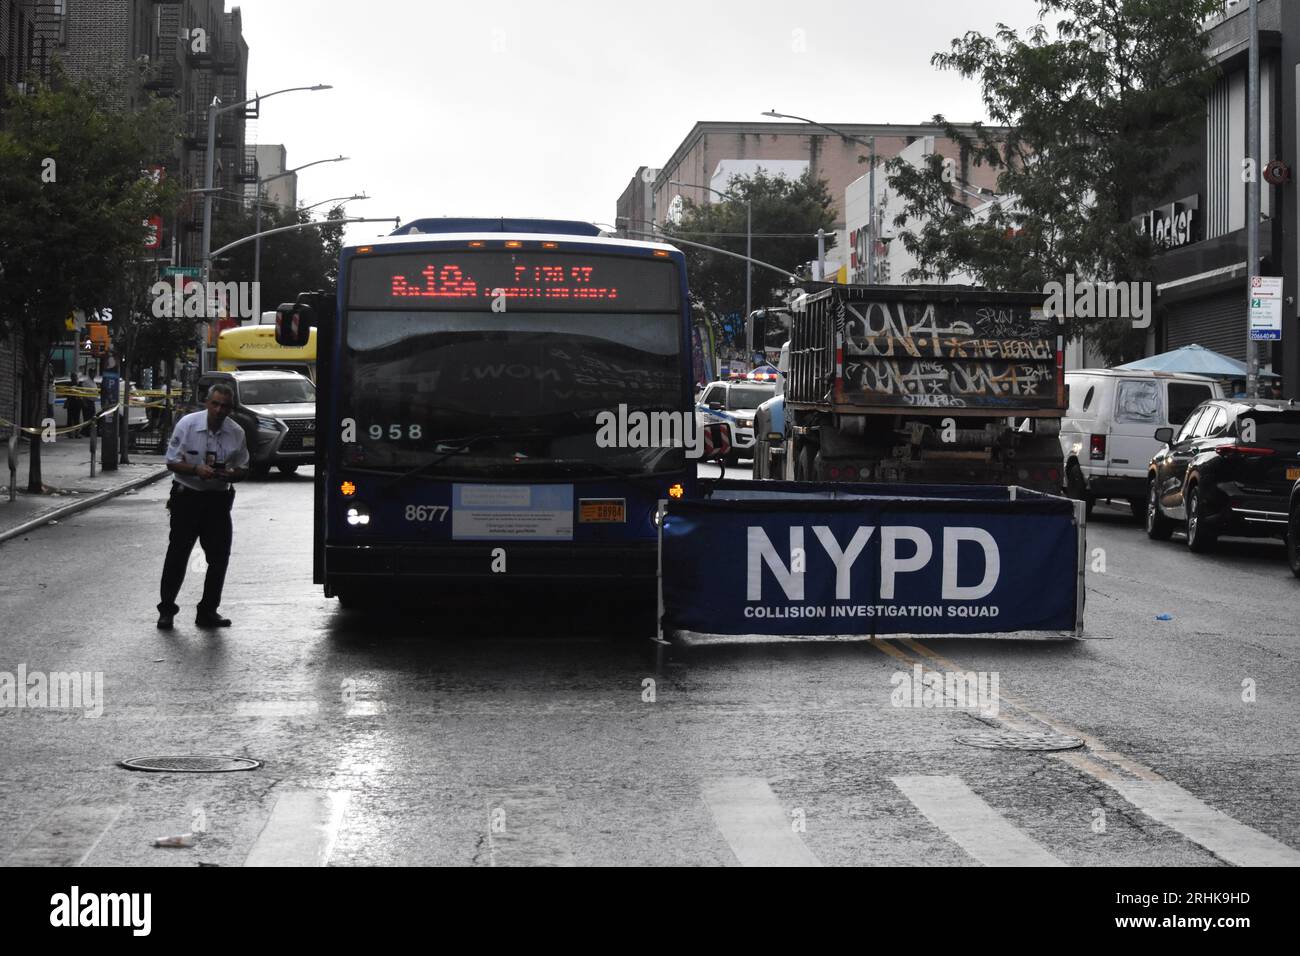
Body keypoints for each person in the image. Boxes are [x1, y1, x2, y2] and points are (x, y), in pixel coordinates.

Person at [156, 383, 249, 629]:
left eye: (225, 406)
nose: (219, 410)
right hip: (188, 497)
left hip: (218, 500)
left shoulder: (236, 432)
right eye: (215, 404)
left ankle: (208, 611)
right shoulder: (187, 425)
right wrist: (196, 469)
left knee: (219, 558)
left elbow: (243, 467)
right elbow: (171, 462)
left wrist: (230, 474)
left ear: (231, 408)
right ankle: (166, 610)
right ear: (207, 403)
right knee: (178, 553)